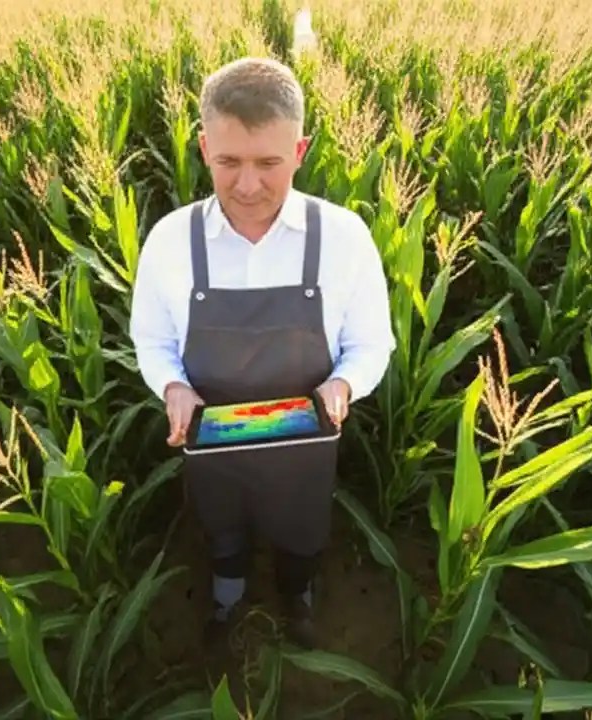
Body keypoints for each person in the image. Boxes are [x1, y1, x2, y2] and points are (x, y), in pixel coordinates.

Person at [128, 57, 395, 651]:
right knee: (222, 530)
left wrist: (343, 386)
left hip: (305, 441)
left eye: (269, 163)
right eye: (228, 162)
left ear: (300, 151)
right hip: (210, 439)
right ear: (203, 148)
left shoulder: (344, 238)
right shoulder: (171, 241)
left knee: (301, 530)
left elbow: (371, 343)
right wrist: (172, 387)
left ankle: (297, 595)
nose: (247, 186)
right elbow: (152, 339)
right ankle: (227, 594)